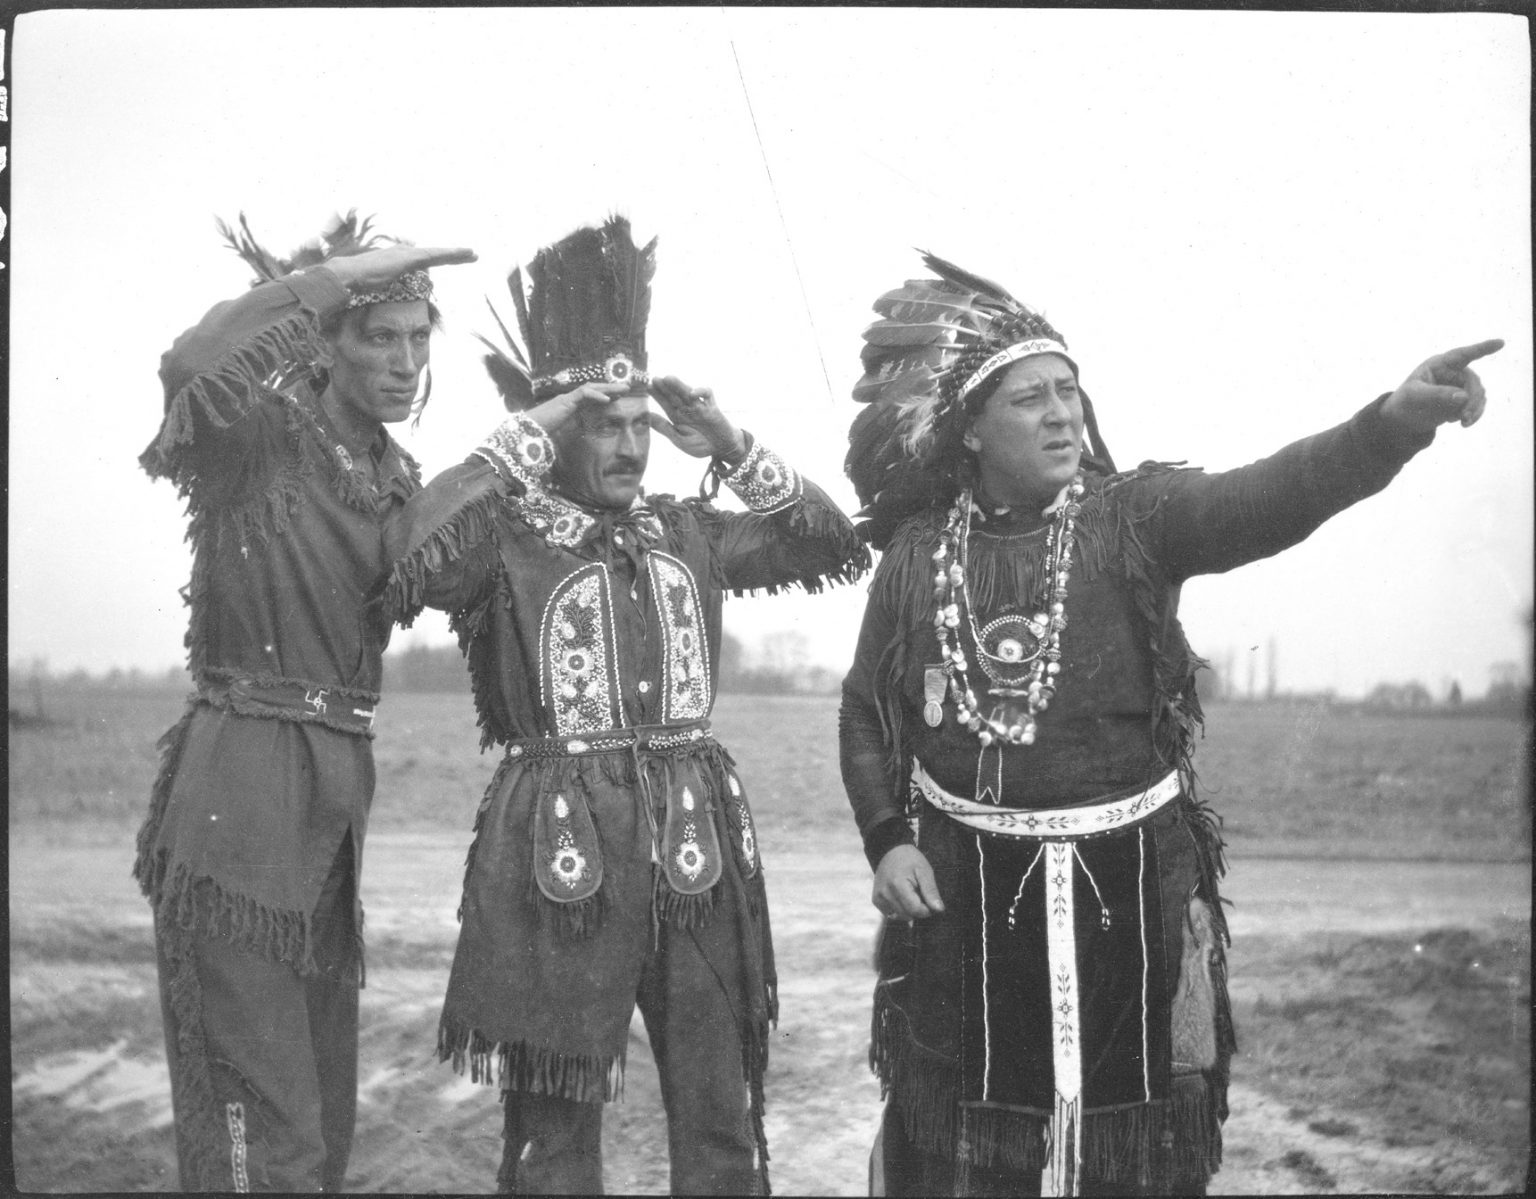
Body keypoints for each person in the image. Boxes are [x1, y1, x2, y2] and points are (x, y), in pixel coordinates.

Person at [838, 252, 1501, 1197]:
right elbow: (866, 709)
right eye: (1030, 398)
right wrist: (885, 839)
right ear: (972, 431)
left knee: (1137, 1161)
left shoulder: (1136, 518)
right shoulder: (913, 559)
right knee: (964, 1160)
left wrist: (1389, 426)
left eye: (1070, 390)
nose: (1063, 412)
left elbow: (1269, 498)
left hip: (1133, 896)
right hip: (965, 906)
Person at [383, 215, 868, 1195]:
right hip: (559, 850)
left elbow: (832, 543)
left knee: (721, 1120)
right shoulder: (503, 542)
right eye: (600, 422)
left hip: (698, 848)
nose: (629, 444)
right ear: (556, 427)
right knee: (554, 1136)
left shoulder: (689, 530)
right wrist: (524, 436)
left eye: (639, 423)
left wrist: (728, 440)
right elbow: (402, 560)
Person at [132, 212, 475, 1192]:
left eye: (419, 338)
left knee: (317, 1132)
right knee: (258, 1138)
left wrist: (538, 431)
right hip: (238, 800)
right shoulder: (260, 443)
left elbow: (441, 550)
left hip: (328, 813)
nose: (407, 360)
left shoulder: (388, 475)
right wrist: (339, 276)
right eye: (382, 335)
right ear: (324, 343)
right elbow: (195, 359)